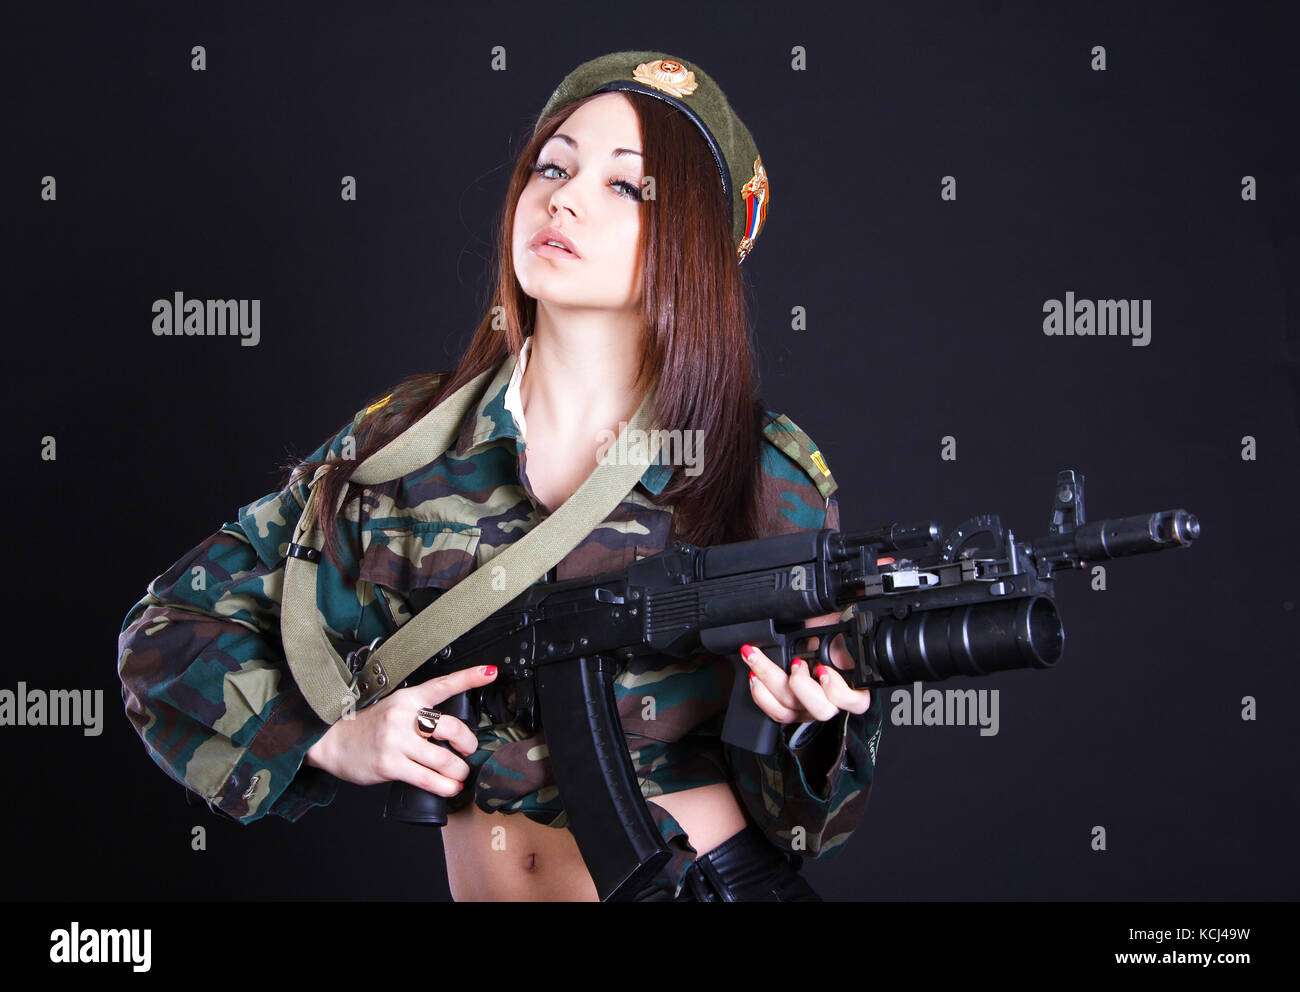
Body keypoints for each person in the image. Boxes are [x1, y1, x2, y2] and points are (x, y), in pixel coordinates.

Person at [117, 51, 885, 902]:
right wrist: (329, 737)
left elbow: (814, 824)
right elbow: (167, 632)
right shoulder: (407, 442)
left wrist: (803, 730)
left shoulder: (759, 465)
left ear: (696, 243)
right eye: (552, 166)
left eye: (626, 187)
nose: (564, 197)